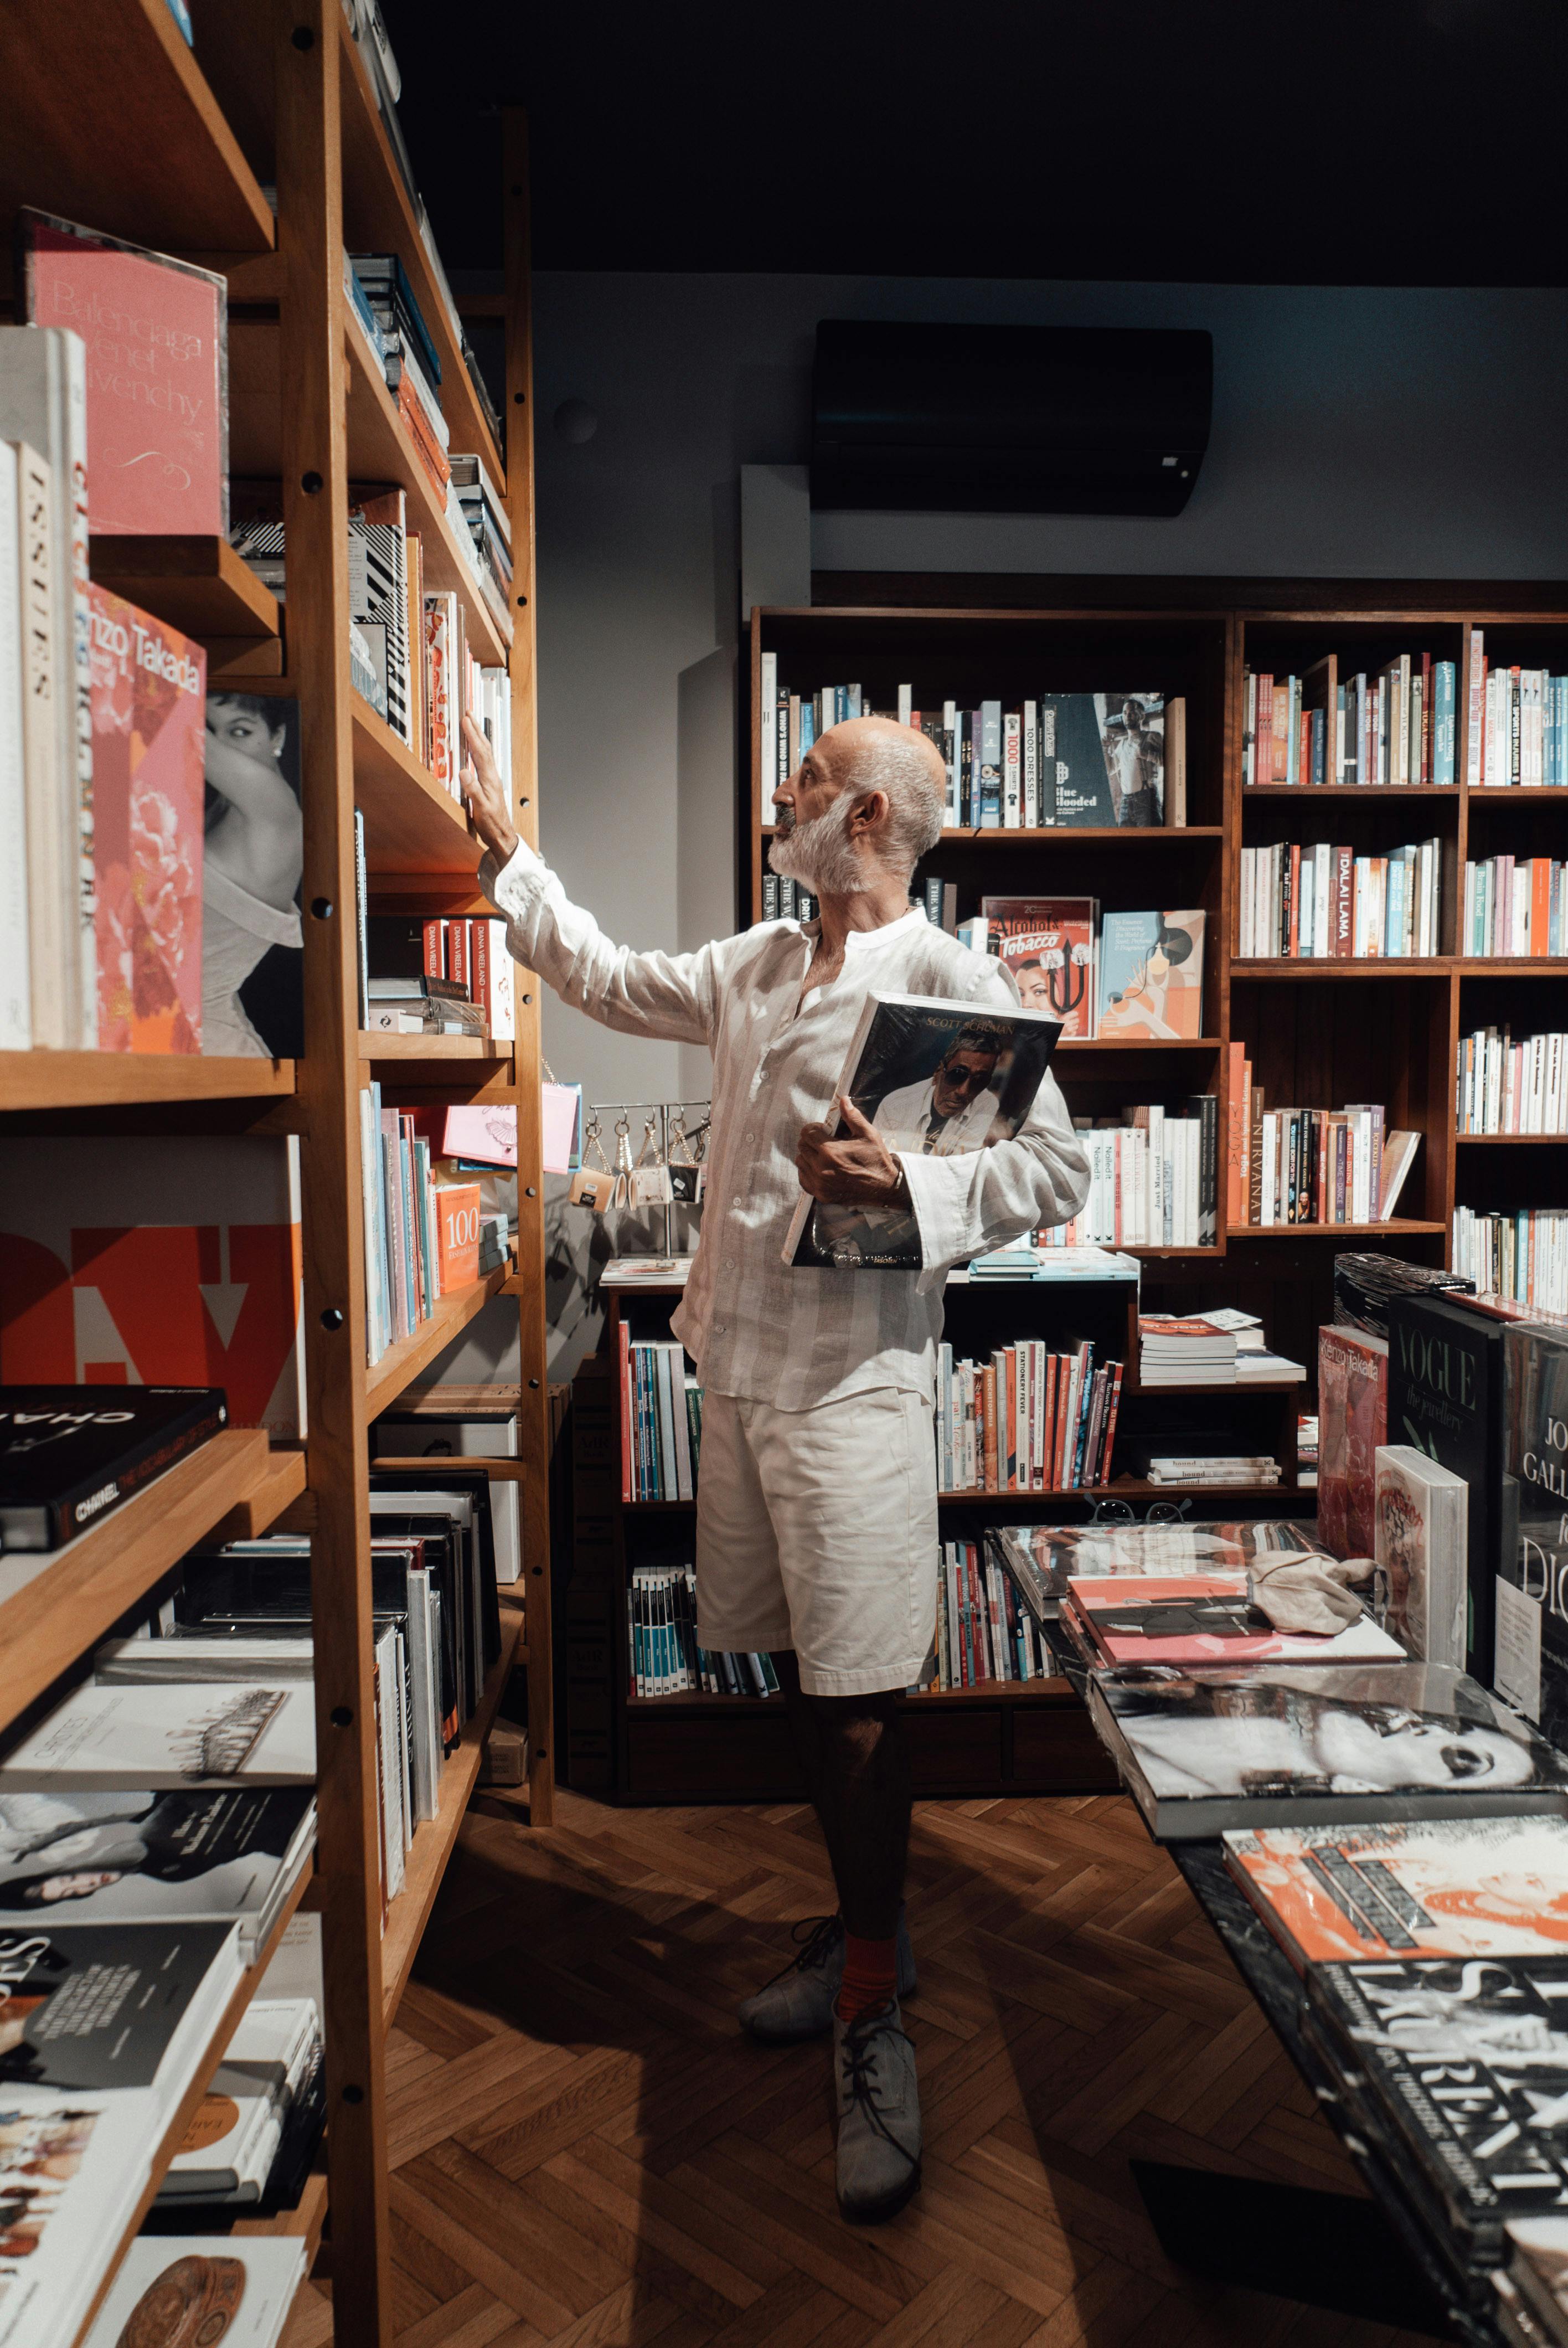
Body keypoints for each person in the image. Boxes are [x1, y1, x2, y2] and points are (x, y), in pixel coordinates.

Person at [462, 707, 1089, 2226]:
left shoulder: (950, 980)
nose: (782, 795)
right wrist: (509, 858)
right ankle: (871, 1937)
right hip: (736, 1370)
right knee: (808, 1677)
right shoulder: (756, 961)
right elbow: (610, 977)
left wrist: (913, 1177)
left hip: (853, 1389)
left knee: (863, 1699)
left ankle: (874, 2010)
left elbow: (1054, 1165)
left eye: (807, 779)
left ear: (865, 817)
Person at [201, 694, 304, 1056]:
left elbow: (180, 731)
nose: (222, 745)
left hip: (205, 1053)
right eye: (211, 730)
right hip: (201, 1043)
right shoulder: (219, 809)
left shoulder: (276, 809)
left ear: (278, 737)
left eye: (240, 732)